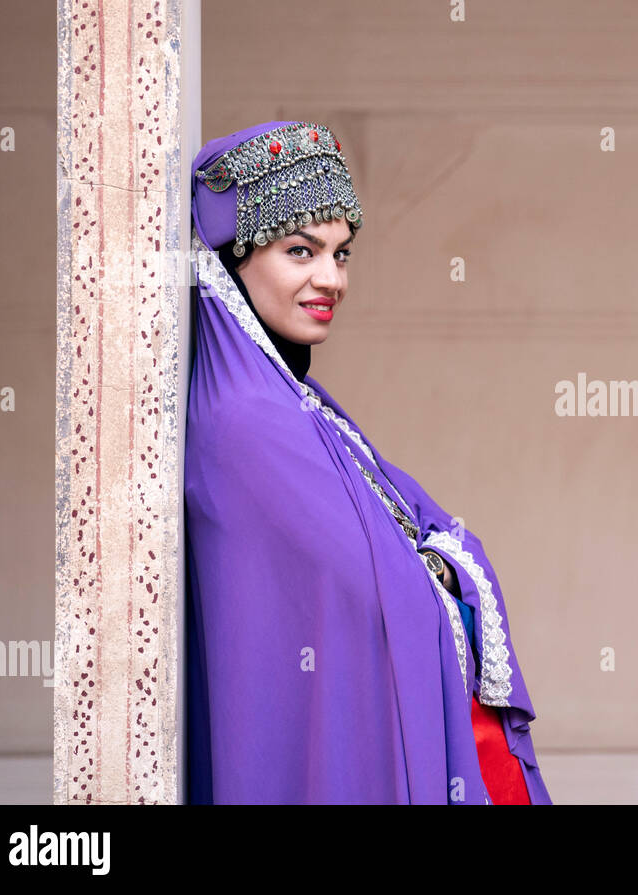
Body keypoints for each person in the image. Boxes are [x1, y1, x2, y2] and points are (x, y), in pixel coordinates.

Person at [184, 120, 551, 804]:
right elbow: (384, 596)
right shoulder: (248, 422)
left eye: (341, 253)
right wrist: (450, 569)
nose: (331, 279)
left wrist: (440, 565)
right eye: (300, 251)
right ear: (231, 260)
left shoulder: (295, 403)